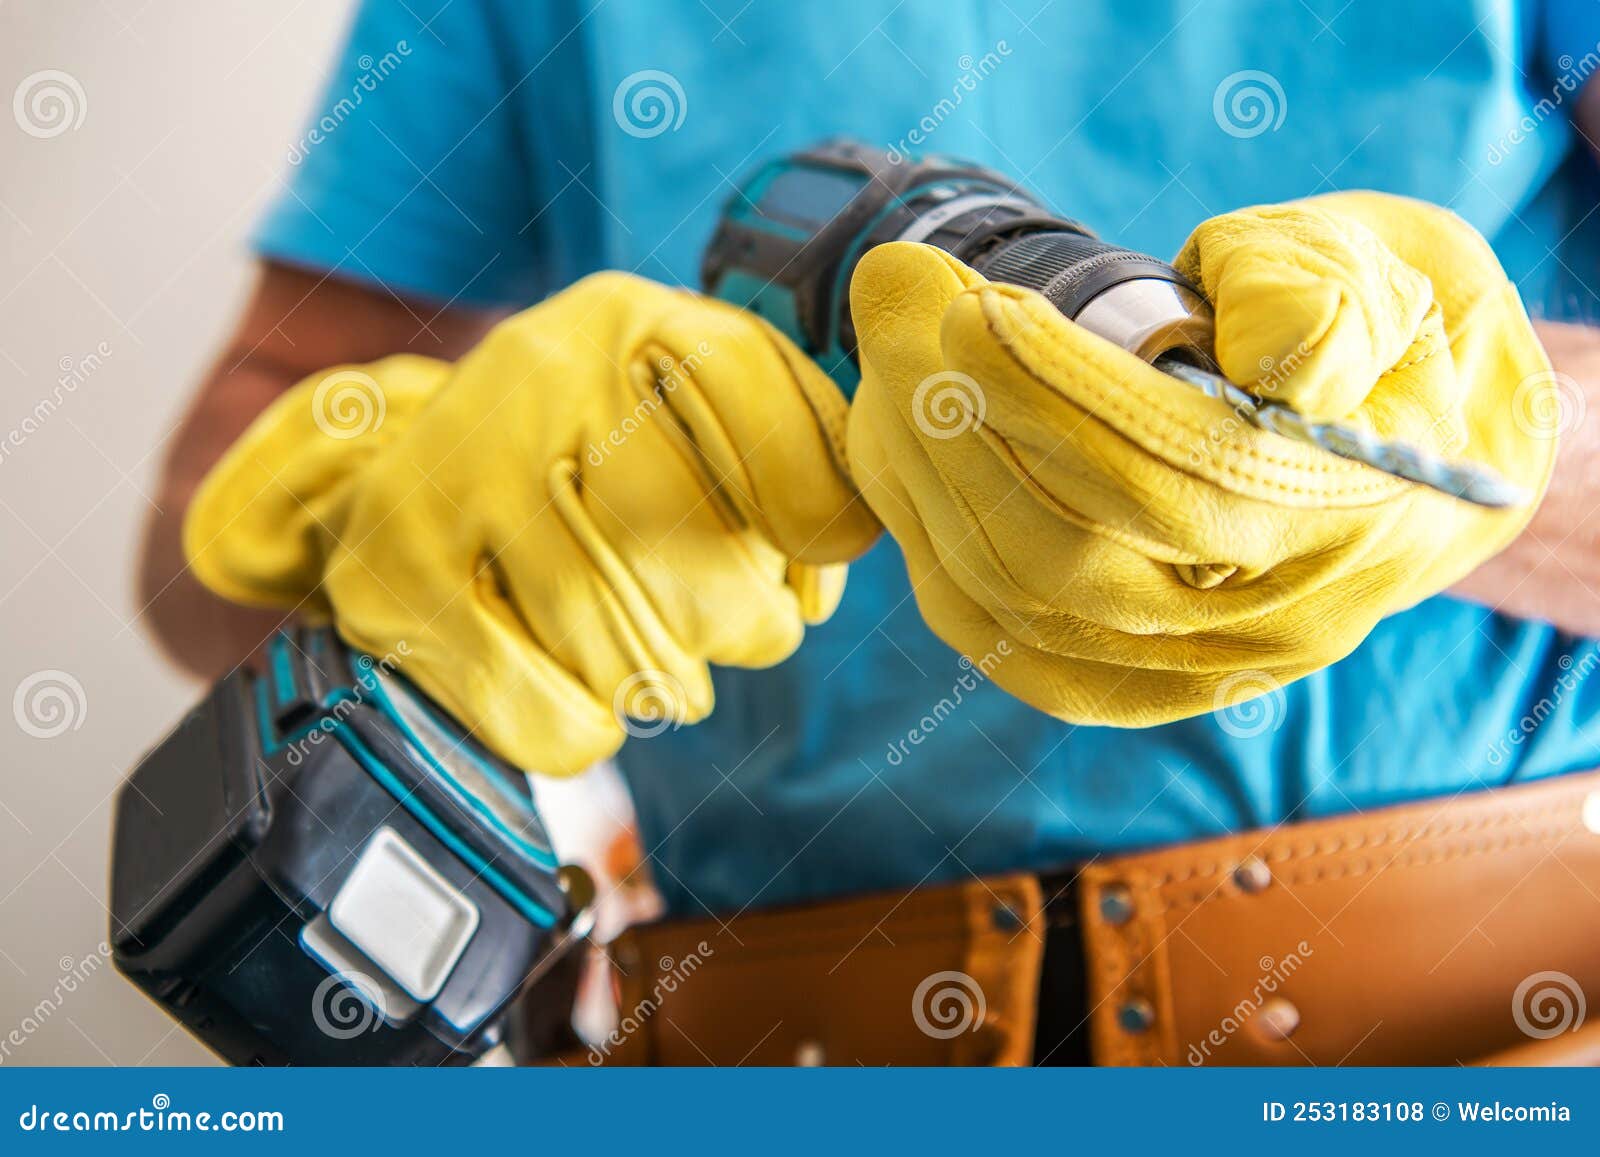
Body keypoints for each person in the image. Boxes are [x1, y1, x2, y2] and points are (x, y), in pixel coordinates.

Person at [143, 0, 1600, 938]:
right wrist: (385, 498)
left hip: (1473, 1029)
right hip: (771, 1040)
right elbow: (182, 562)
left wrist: (1474, 445)